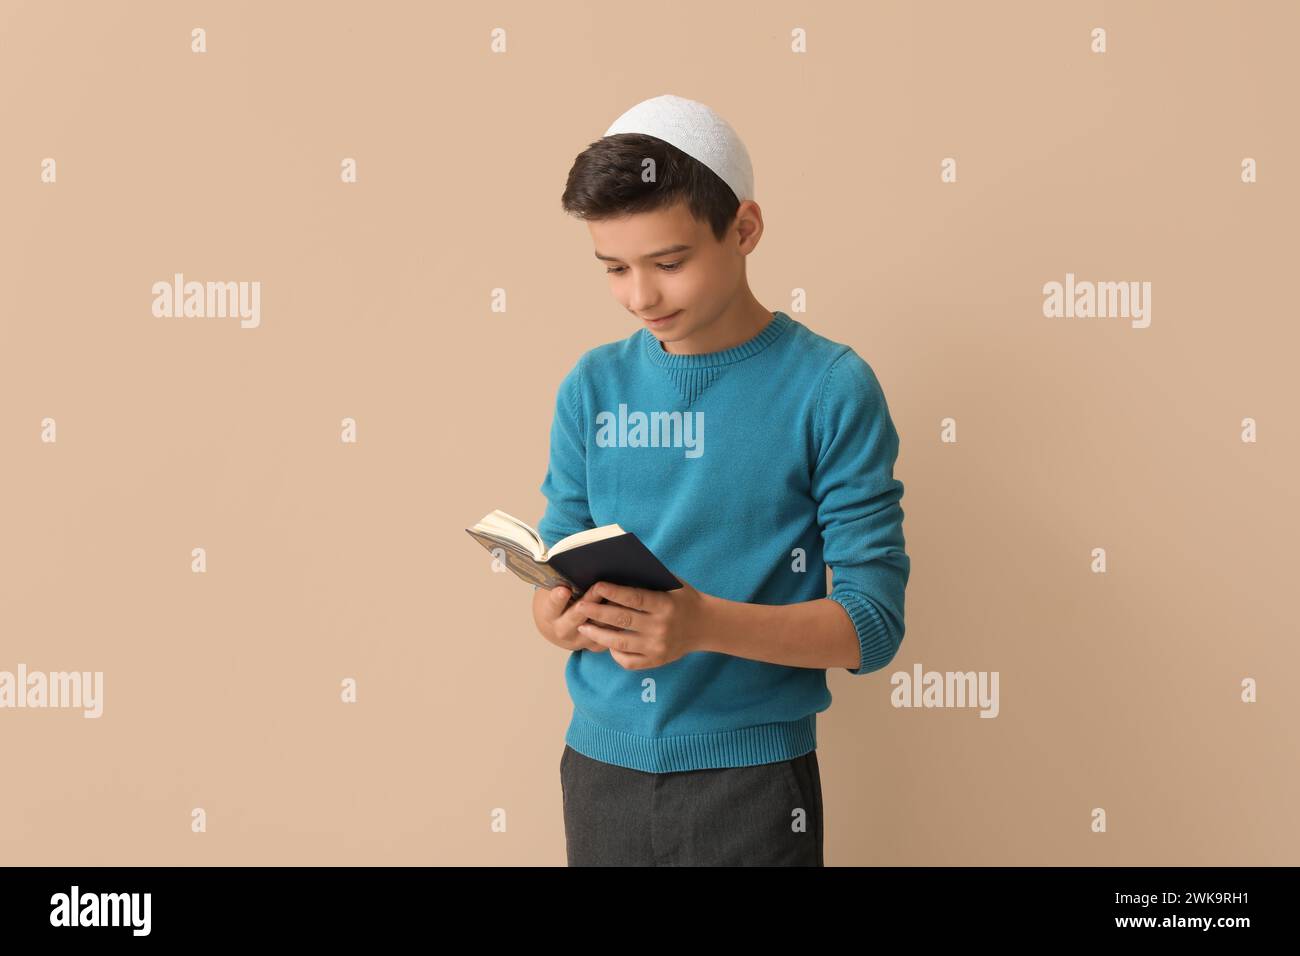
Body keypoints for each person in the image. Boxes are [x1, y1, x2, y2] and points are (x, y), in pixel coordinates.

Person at [531, 93, 910, 866]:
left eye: (669, 264)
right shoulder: (591, 387)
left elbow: (871, 625)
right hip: (600, 769)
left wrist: (700, 625)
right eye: (614, 269)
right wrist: (555, 617)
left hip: (754, 782)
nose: (641, 298)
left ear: (744, 229)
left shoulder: (829, 387)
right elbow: (557, 564)